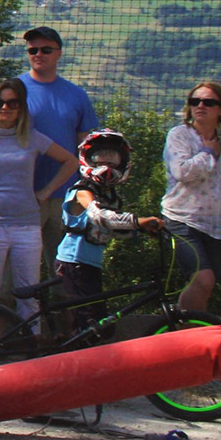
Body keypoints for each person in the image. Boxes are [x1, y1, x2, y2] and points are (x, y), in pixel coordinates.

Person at [0, 76, 77, 327]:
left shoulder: (33, 138)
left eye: (12, 103)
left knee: (29, 291)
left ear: (21, 107)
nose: (5, 108)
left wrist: (45, 192)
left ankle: (31, 339)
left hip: (27, 225)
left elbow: (71, 161)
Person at [161, 81, 221, 313]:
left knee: (206, 285)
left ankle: (187, 327)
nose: (200, 106)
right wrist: (208, 153)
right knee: (203, 279)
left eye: (208, 102)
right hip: (183, 220)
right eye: (195, 101)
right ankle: (182, 326)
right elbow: (183, 172)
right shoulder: (179, 135)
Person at [19, 26, 99, 267]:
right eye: (32, 50)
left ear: (59, 53)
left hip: (66, 197)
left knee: (65, 269)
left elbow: (86, 149)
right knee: (16, 270)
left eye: (45, 50)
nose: (38, 54)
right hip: (23, 196)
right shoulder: (13, 93)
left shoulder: (77, 95)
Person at [55, 129, 161, 311]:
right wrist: (138, 221)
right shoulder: (82, 191)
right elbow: (100, 217)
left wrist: (141, 229)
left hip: (91, 265)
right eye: (99, 158)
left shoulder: (111, 197)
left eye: (112, 159)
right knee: (88, 319)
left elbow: (112, 229)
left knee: (97, 318)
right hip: (73, 263)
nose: (106, 165)